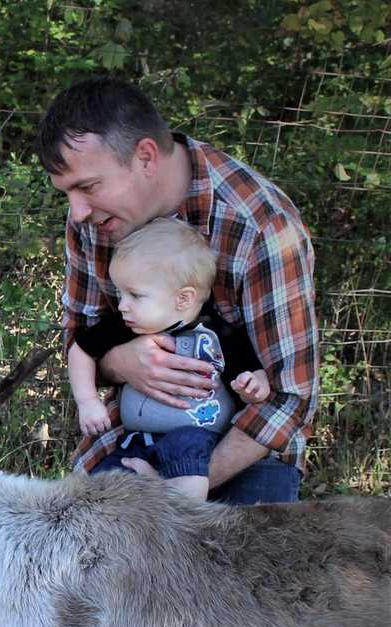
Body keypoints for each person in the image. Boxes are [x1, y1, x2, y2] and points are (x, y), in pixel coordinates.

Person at [38, 75, 319, 505]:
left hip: (246, 451)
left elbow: (290, 399)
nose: (77, 212)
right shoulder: (97, 220)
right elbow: (80, 336)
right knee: (74, 553)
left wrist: (176, 486)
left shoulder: (262, 228)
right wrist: (123, 361)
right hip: (133, 435)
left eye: (87, 187)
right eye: (67, 194)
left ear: (146, 156)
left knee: (231, 563)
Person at [68, 217, 272, 500]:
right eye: (120, 294)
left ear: (183, 299)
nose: (122, 305)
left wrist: (255, 383)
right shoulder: (125, 326)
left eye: (135, 295)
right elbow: (80, 350)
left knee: (189, 473)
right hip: (136, 440)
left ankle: (174, 507)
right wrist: (87, 402)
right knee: (98, 490)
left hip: (194, 438)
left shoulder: (219, 335)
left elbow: (255, 372)